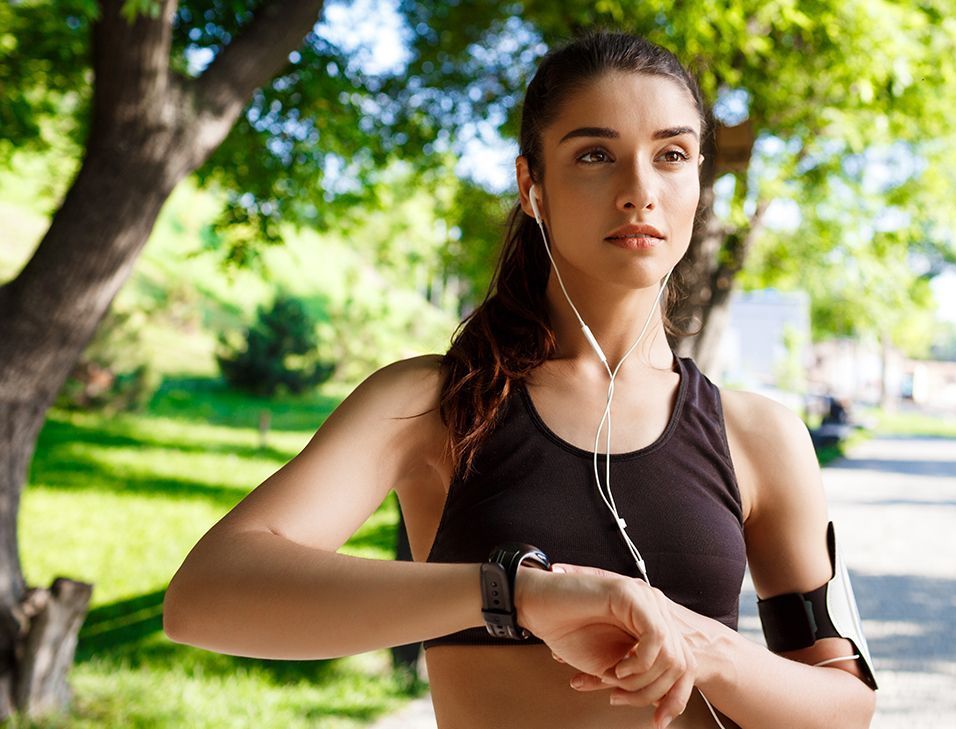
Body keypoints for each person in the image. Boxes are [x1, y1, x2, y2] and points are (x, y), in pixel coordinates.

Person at [162, 30, 877, 729]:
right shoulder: (433, 405)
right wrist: (515, 594)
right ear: (530, 184)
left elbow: (845, 707)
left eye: (672, 155)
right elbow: (205, 596)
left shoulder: (758, 435)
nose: (639, 190)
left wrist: (703, 644)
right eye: (595, 154)